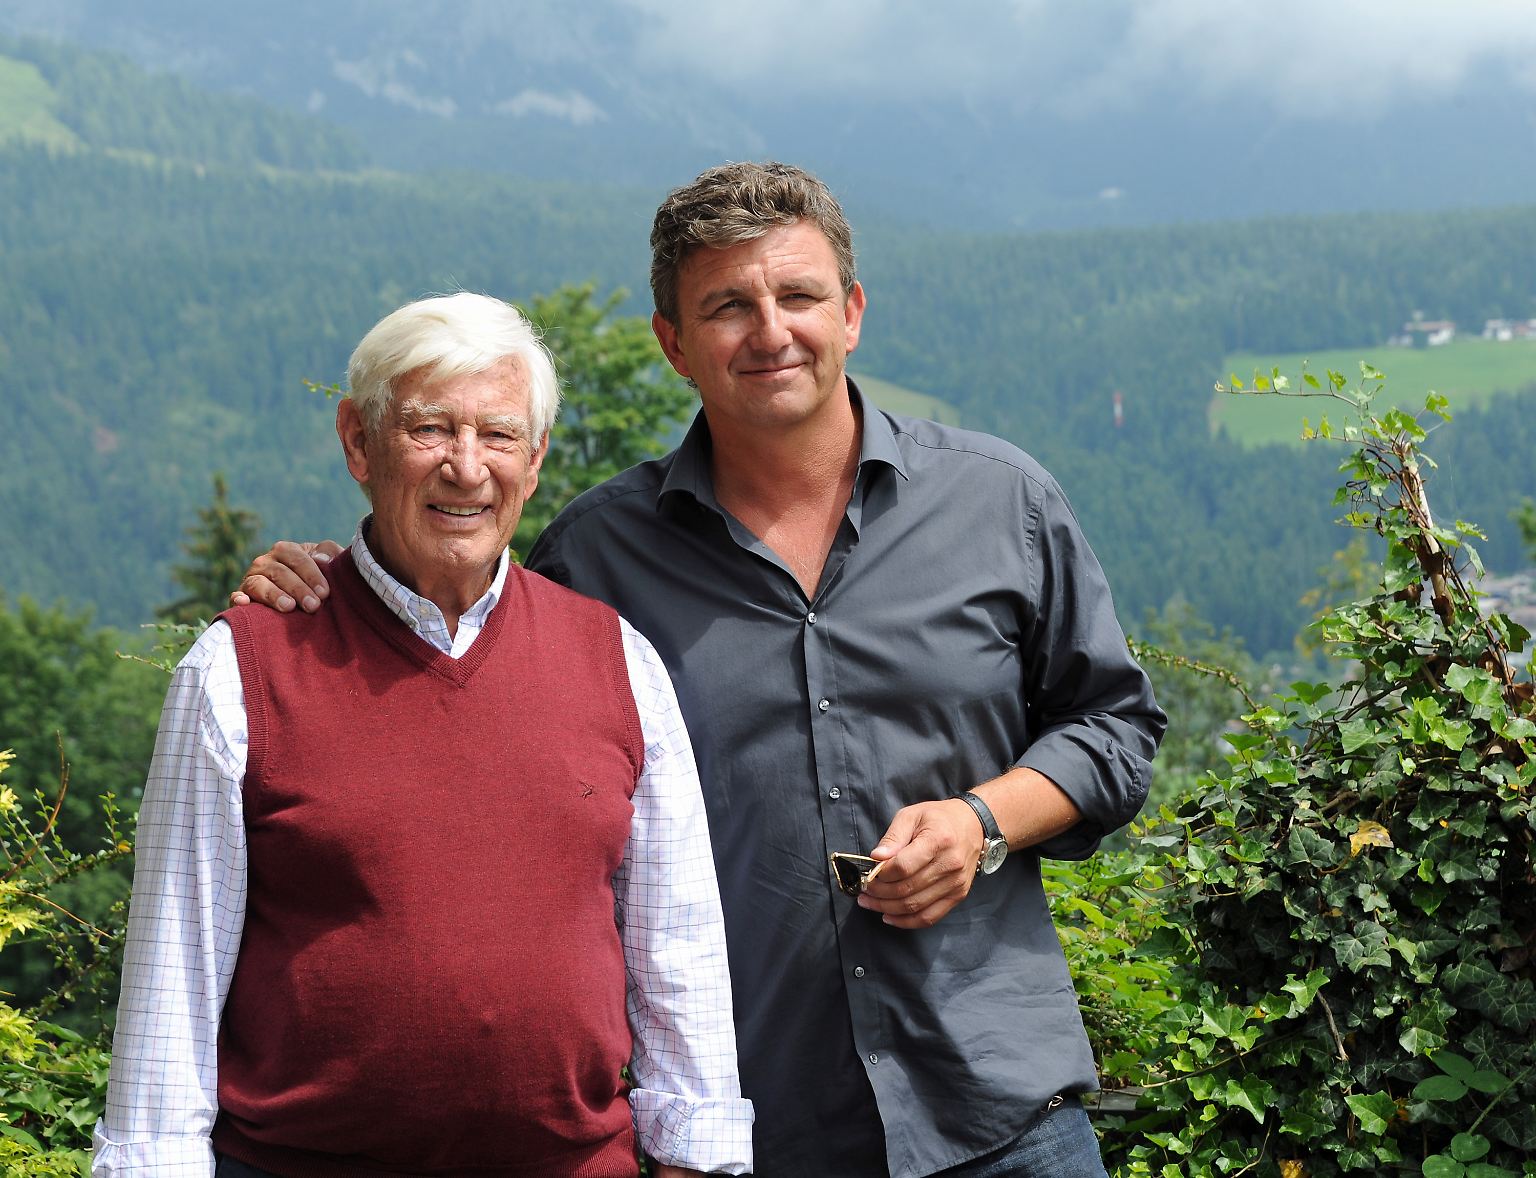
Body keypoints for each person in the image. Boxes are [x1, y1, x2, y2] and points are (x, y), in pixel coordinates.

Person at [236, 163, 1166, 1177]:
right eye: (728, 305)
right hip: (753, 1127)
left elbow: (1114, 728)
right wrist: (334, 586)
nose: (771, 331)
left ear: (851, 312)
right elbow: (456, 668)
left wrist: (983, 820)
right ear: (672, 343)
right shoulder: (596, 557)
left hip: (998, 1108)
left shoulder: (1001, 503)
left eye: (799, 295)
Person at [95, 293, 753, 1178]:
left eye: (499, 435)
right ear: (359, 442)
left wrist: (699, 1158)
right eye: (430, 430)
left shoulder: (617, 661)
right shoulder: (243, 668)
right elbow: (173, 977)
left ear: (537, 456)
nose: (467, 468)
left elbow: (677, 950)